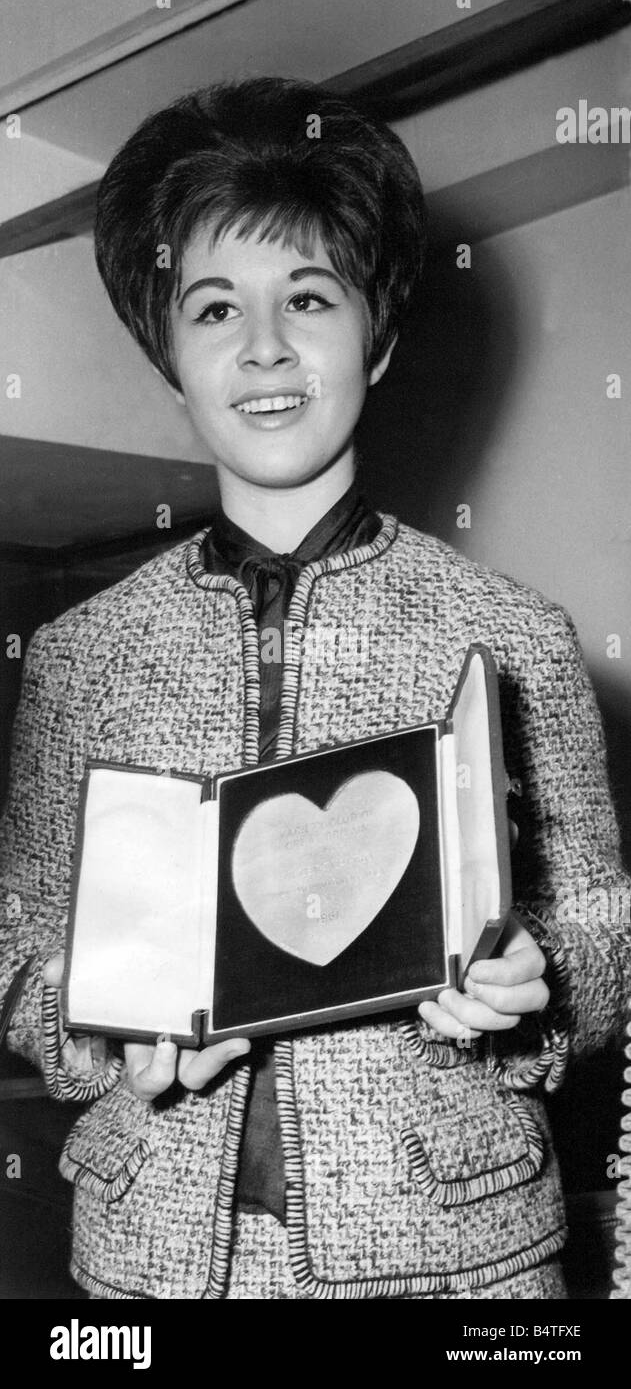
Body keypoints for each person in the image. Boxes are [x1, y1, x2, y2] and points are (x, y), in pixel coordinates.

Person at [1, 77, 629, 1300]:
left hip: (459, 1263)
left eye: (309, 298)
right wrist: (107, 1033)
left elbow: (606, 934)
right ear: (168, 354)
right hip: (149, 1267)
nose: (265, 348)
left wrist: (533, 977)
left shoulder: (514, 636)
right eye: (214, 308)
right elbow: (18, 943)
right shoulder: (77, 657)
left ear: (377, 336)